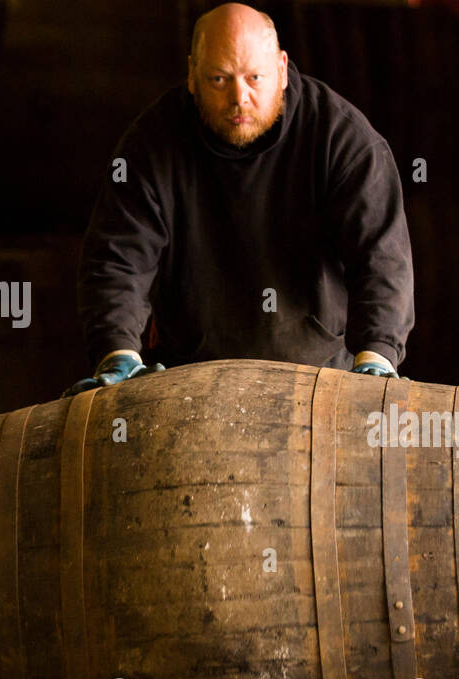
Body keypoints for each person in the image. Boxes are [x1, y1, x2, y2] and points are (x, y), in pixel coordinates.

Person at [65, 2, 414, 396]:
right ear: (192, 76)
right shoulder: (152, 145)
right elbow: (118, 260)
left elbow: (382, 260)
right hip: (187, 382)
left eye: (255, 77)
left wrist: (377, 358)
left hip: (318, 380)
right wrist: (118, 353)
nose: (239, 97)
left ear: (281, 70)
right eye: (219, 79)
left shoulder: (343, 140)